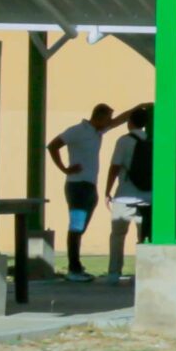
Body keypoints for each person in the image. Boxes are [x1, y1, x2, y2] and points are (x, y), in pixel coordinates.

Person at [46, 103, 116, 284]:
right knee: (76, 226)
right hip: (77, 186)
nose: (110, 122)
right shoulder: (77, 131)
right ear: (99, 117)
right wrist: (64, 169)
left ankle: (76, 265)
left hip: (90, 186)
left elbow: (119, 121)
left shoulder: (98, 132)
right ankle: (73, 268)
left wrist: (138, 107)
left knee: (80, 227)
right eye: (108, 118)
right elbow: (53, 146)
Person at [102, 105, 153, 284]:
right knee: (144, 238)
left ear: (130, 122)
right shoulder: (152, 141)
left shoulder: (123, 141)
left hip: (124, 195)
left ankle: (114, 273)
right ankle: (145, 274)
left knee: (117, 236)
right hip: (148, 197)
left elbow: (115, 166)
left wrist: (107, 191)